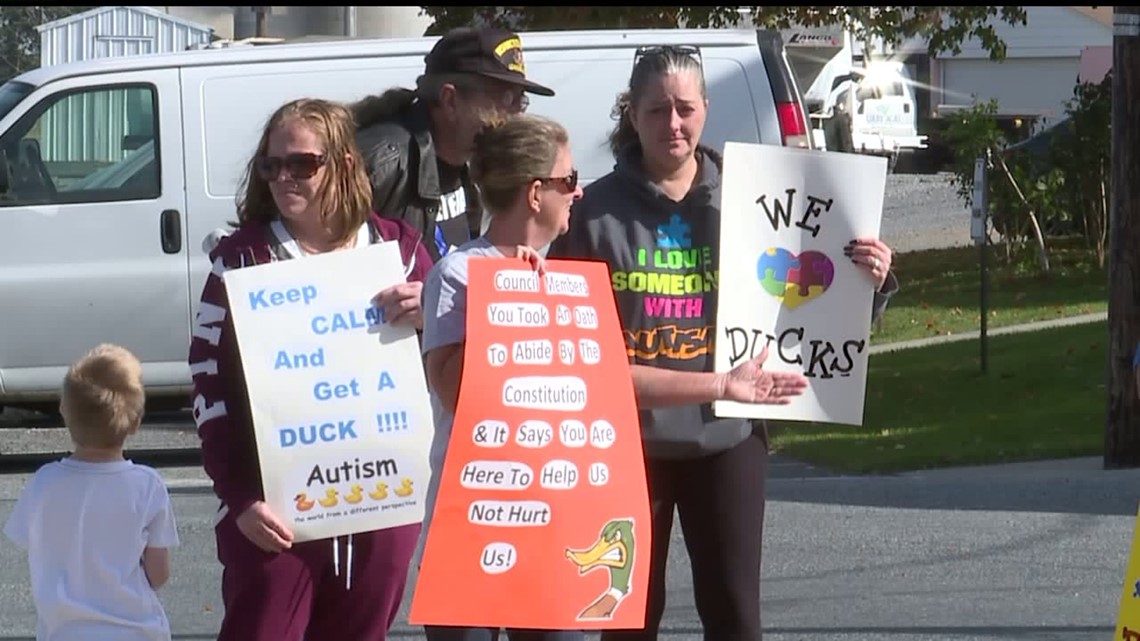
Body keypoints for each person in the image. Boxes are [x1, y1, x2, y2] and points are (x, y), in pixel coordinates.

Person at [547, 45, 898, 641]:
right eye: (656, 110)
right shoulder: (592, 214)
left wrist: (874, 279)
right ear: (632, 115)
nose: (673, 123)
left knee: (735, 615)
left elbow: (818, 311)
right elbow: (557, 331)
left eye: (685, 107)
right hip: (628, 444)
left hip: (728, 436)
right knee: (626, 618)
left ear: (706, 109)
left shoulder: (757, 201)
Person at [187, 97, 434, 641]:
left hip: (382, 509)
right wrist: (239, 497)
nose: (282, 177)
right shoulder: (243, 259)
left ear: (345, 164)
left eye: (301, 163)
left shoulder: (401, 249)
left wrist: (432, 314)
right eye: (270, 165)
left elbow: (455, 360)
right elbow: (208, 385)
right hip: (274, 514)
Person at [419, 112, 583, 641]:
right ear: (536, 194)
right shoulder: (459, 274)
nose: (577, 194)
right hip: (472, 516)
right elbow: (456, 392)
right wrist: (509, 300)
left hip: (551, 516)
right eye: (569, 181)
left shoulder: (569, 279)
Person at [4, 343, 180, 641]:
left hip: (63, 632)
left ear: (65, 415)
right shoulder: (146, 485)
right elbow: (158, 574)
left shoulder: (44, 483)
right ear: (135, 423)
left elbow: (30, 542)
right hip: (135, 630)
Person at [353, 26, 555, 263]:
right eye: (505, 98)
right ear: (450, 101)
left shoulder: (474, 160)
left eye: (519, 100)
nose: (514, 116)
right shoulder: (382, 162)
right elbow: (329, 265)